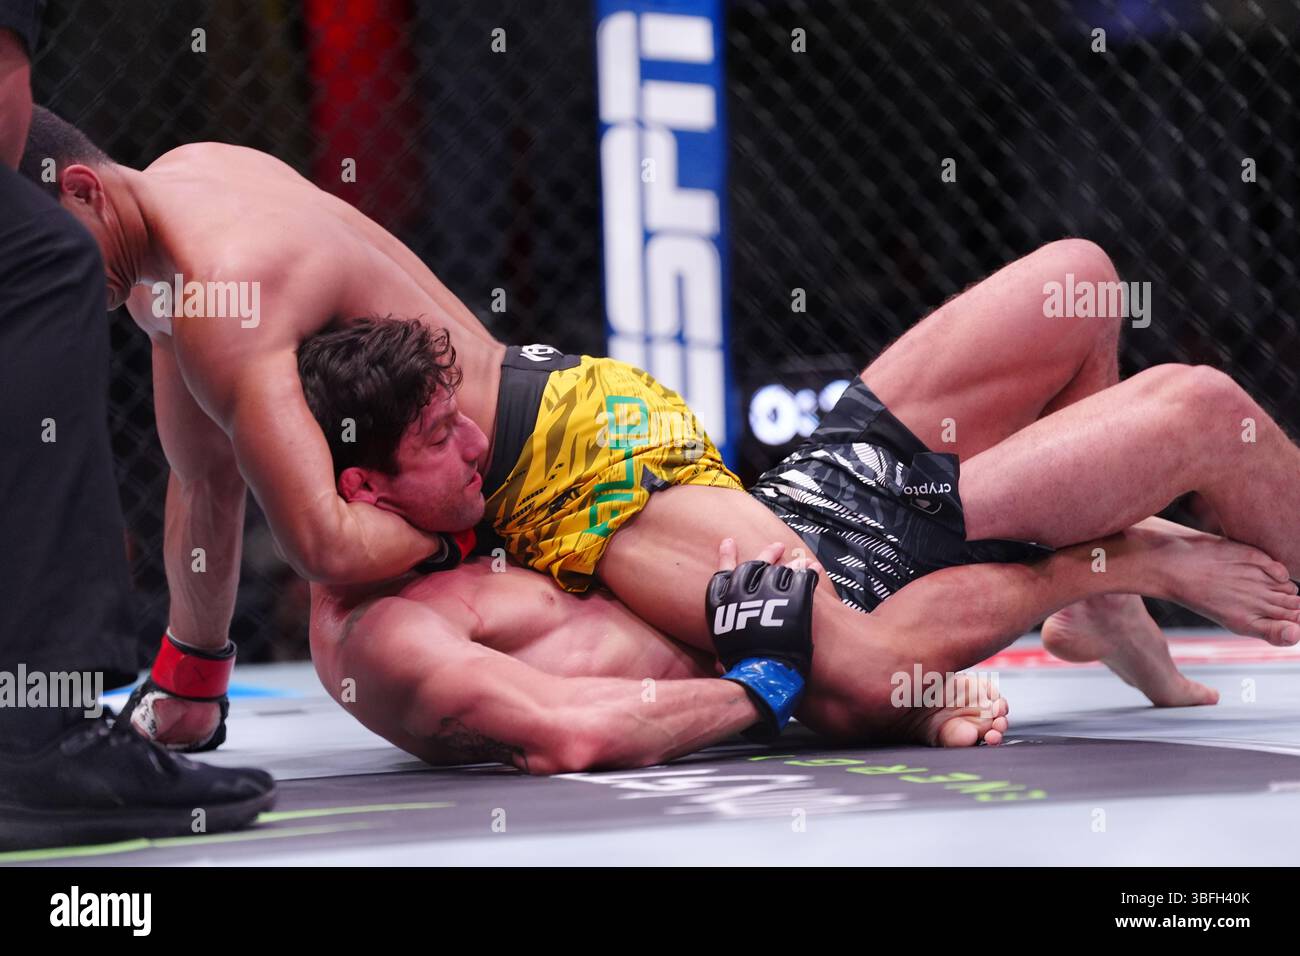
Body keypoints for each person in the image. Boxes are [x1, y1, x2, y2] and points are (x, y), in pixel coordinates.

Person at [21, 110, 1298, 749]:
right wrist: (188, 689)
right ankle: (1097, 577)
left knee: (818, 603)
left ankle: (1097, 585)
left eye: (30, 249)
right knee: (1138, 354)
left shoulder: (228, 308)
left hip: (559, 469)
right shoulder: (187, 213)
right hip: (580, 432)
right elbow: (207, 487)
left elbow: (322, 538)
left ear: (82, 188)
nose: (26, 286)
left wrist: (414, 511)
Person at [299, 318, 1299, 766]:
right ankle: (1120, 562)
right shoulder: (390, 633)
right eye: (439, 437)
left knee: (1078, 281)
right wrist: (761, 689)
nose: (476, 442)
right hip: (840, 601)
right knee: (1203, 406)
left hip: (793, 503)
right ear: (361, 485)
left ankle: (1105, 596)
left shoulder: (461, 522)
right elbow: (574, 731)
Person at [0, 4, 274, 850]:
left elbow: (210, 476)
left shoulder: (206, 275)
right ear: (82, 186)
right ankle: (41, 733)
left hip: (528, 452)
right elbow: (286, 521)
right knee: (45, 263)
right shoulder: (192, 273)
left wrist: (193, 677)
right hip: (491, 489)